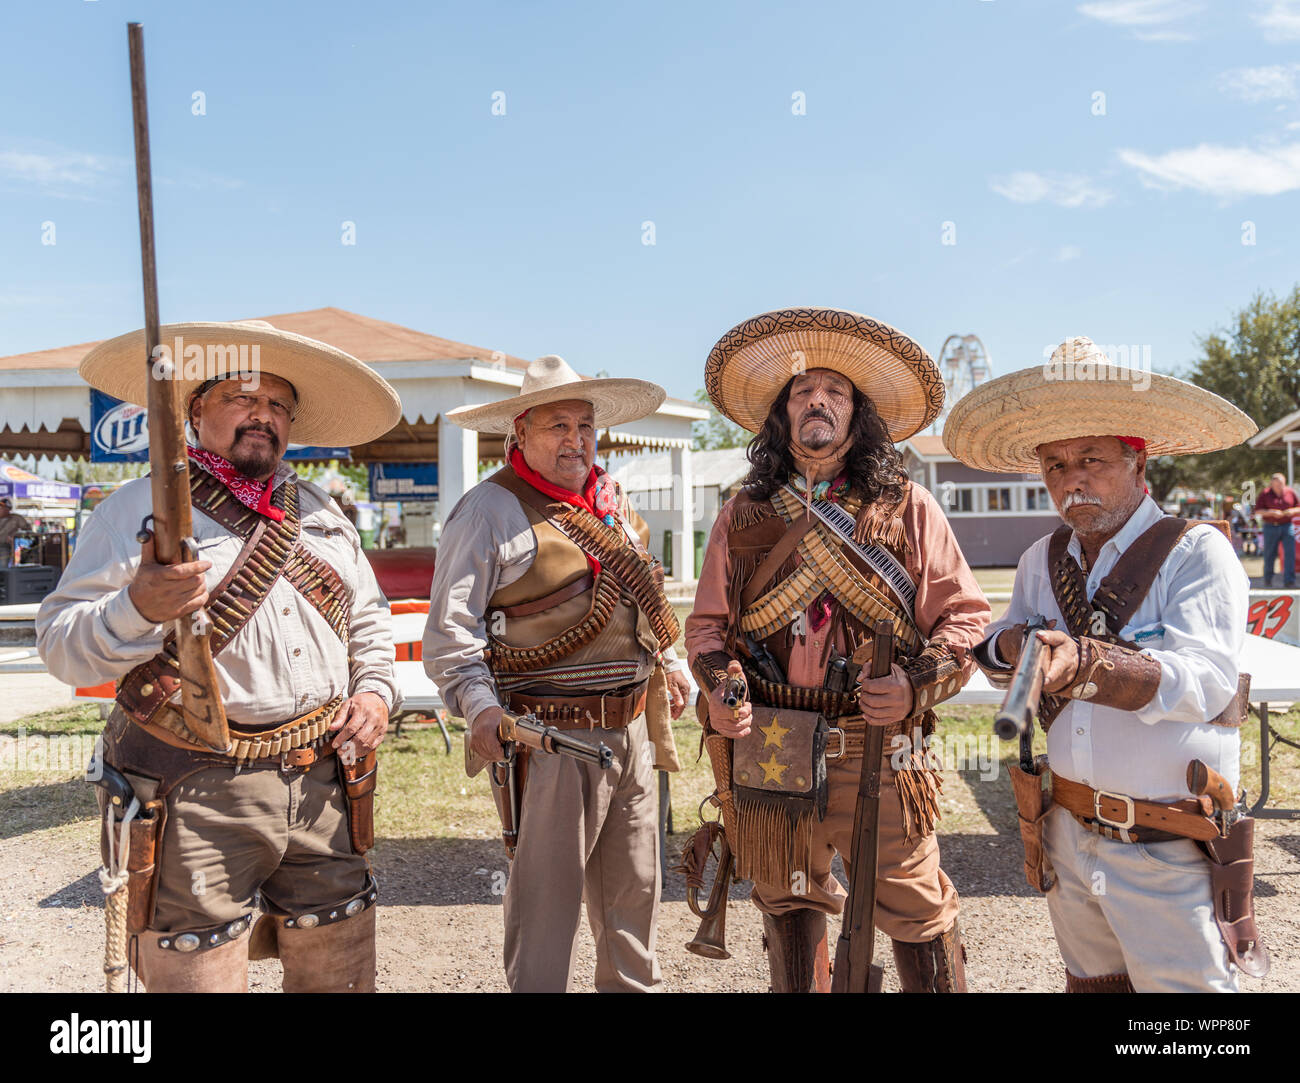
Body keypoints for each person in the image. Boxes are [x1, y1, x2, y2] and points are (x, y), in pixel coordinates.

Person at [37, 320, 402, 992]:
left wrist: (376, 690)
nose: (262, 416)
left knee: (341, 972)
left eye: (278, 406)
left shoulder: (322, 512)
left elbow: (370, 620)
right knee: (195, 978)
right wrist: (138, 608)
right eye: (242, 398)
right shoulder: (135, 511)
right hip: (192, 788)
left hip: (322, 779)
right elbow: (61, 646)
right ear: (195, 410)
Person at [945, 336, 1267, 992]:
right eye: (1055, 464)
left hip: (1170, 843)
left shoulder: (1195, 551)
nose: (1071, 479)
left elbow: (1206, 681)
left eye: (1091, 458)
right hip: (1067, 829)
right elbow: (1006, 645)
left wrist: (1086, 661)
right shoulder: (1044, 558)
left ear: (1137, 461)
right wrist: (1010, 649)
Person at [685, 307, 991, 992]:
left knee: (915, 905)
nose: (817, 401)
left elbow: (967, 622)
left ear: (858, 413)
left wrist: (913, 685)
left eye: (835, 392)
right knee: (787, 899)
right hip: (771, 741)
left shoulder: (907, 505)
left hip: (878, 744)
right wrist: (721, 684)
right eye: (801, 390)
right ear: (780, 413)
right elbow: (706, 629)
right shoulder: (743, 512)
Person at [422, 354, 692, 992]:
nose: (575, 440)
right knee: (546, 913)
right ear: (519, 433)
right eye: (556, 426)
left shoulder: (612, 504)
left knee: (635, 901)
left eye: (584, 426)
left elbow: (644, 599)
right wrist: (480, 707)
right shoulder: (488, 509)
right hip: (547, 739)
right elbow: (450, 633)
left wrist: (672, 661)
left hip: (630, 730)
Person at [1255, 473, 1299, 589]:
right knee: (1269, 554)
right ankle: (1268, 579)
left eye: (1281, 484)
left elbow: (1298, 507)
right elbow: (1258, 511)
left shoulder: (1290, 492)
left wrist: (1292, 511)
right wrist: (1271, 512)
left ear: (1284, 483)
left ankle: (1289, 580)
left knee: (1290, 553)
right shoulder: (1265, 494)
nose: (1279, 487)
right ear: (1272, 484)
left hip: (1287, 525)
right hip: (1270, 526)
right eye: (1277, 485)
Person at [0, 496, 32, 564]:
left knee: (3, 567)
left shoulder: (16, 518)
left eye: (2, 508)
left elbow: (28, 530)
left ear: (8, 509)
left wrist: (15, 534)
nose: (0, 509)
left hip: (5, 546)